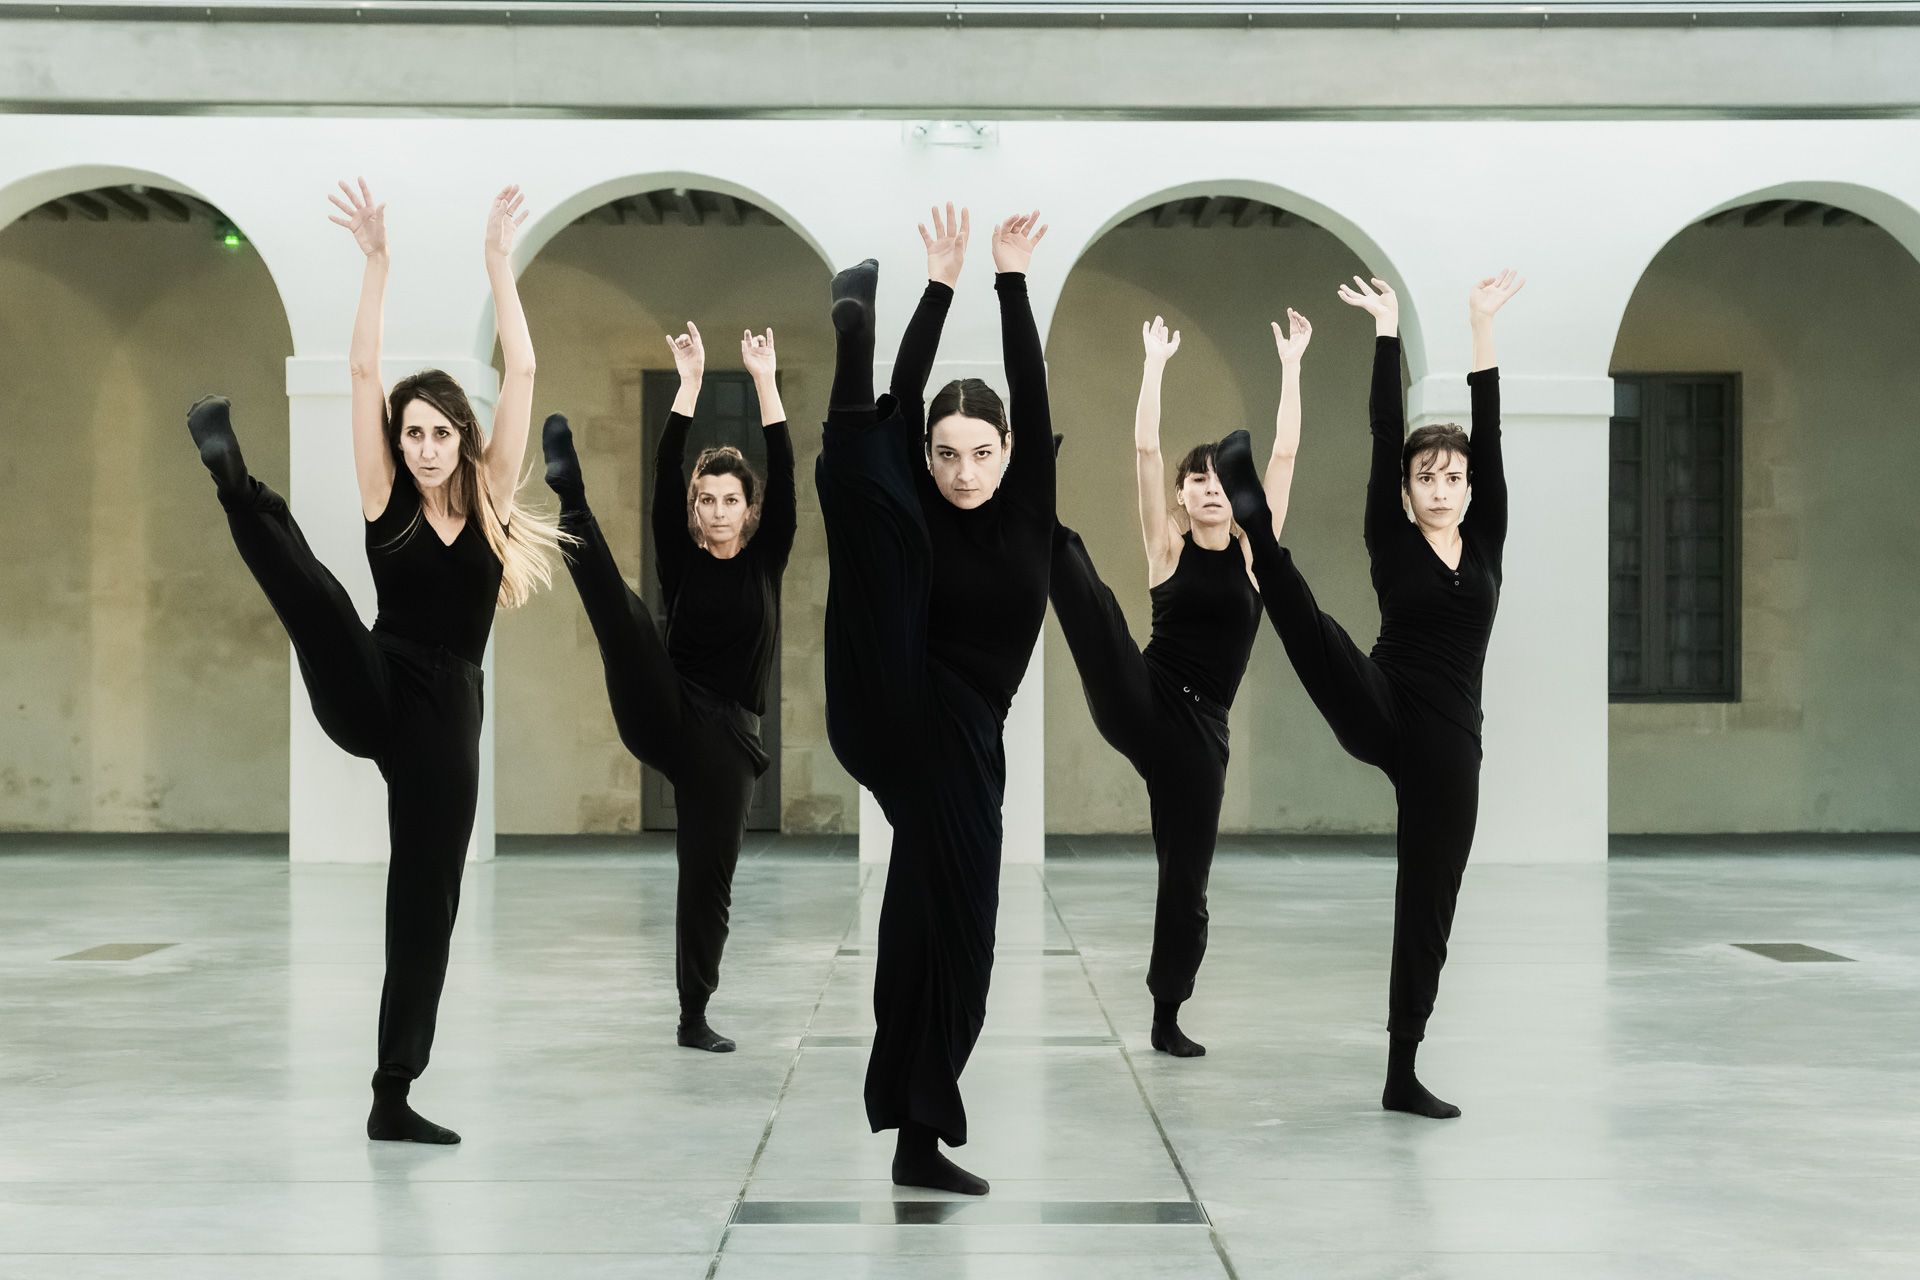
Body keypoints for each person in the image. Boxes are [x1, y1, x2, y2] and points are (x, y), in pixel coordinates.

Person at [185, 179, 567, 1143]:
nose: (426, 446)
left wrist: (497, 262)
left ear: (464, 440)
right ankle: (238, 484)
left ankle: (392, 1093)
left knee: (425, 900)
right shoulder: (384, 494)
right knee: (317, 597)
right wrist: (377, 265)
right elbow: (362, 373)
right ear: (398, 441)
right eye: (414, 433)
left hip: (449, 718)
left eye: (441, 432)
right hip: (375, 681)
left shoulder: (489, 495)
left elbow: (520, 372)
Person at [1212, 269, 1524, 1118]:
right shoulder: (1391, 537)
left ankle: (1402, 1069)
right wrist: (1388, 333)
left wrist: (1479, 326)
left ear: (1467, 489)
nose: (1441, 485)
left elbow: (1490, 433)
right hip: (1383, 700)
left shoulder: (1487, 539)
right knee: (1319, 633)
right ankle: (1259, 535)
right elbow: (1387, 429)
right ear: (1408, 488)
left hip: (1452, 739)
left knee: (1430, 900)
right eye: (1427, 475)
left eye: (1453, 477)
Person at [815, 204, 1055, 1194]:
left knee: (925, 925)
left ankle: (917, 1132)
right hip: (902, 701)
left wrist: (1011, 280)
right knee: (871, 487)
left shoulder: (1029, 498)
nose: (961, 468)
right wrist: (938, 286)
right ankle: (853, 352)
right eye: (945, 452)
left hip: (955, 746)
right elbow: (908, 407)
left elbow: (1032, 395)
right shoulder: (918, 497)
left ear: (1008, 451)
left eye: (980, 452)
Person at [1049, 308, 1312, 1056]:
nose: (1205, 490)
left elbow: (1285, 458)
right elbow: (1142, 446)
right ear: (1180, 498)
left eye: (1217, 481)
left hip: (1203, 735)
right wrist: (1154, 364)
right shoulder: (1165, 547)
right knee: (1099, 611)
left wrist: (1292, 366)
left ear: (1236, 499)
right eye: (1193, 481)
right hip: (1144, 695)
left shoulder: (1256, 557)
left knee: (1185, 882)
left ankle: (1167, 1016)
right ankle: (1035, 514)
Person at [541, 322, 793, 1053]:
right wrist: (685, 387)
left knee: (706, 881)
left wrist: (765, 382)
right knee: (628, 618)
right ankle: (573, 503)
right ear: (695, 508)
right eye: (706, 500)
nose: (717, 511)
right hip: (669, 710)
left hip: (729, 744)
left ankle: (693, 1015)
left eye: (730, 500)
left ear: (750, 510)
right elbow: (661, 479)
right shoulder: (682, 562)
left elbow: (783, 465)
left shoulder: (766, 559)